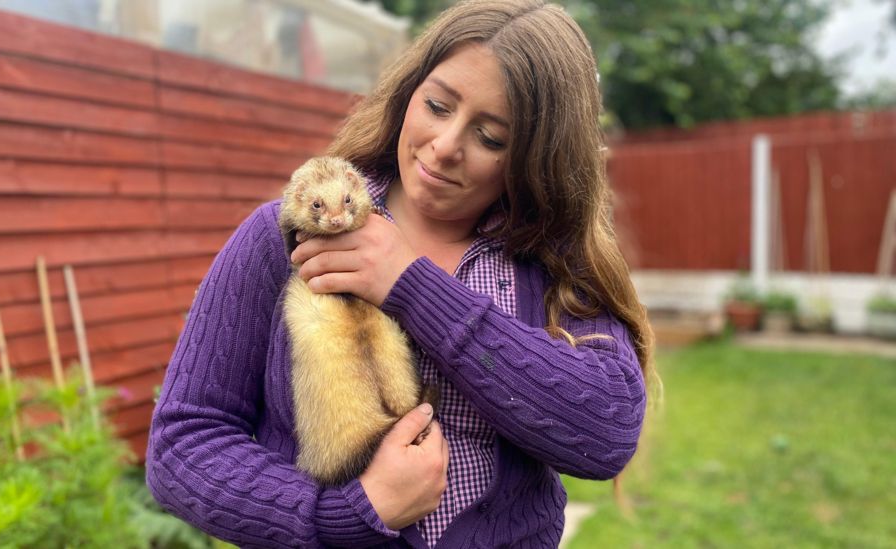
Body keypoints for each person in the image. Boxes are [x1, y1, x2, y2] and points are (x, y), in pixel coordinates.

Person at [146, 0, 660, 546]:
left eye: (489, 138)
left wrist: (411, 285)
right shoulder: (285, 239)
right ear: (408, 91)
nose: (443, 148)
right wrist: (343, 514)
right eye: (438, 106)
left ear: (536, 157)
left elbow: (605, 431)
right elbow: (184, 442)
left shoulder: (548, 265)